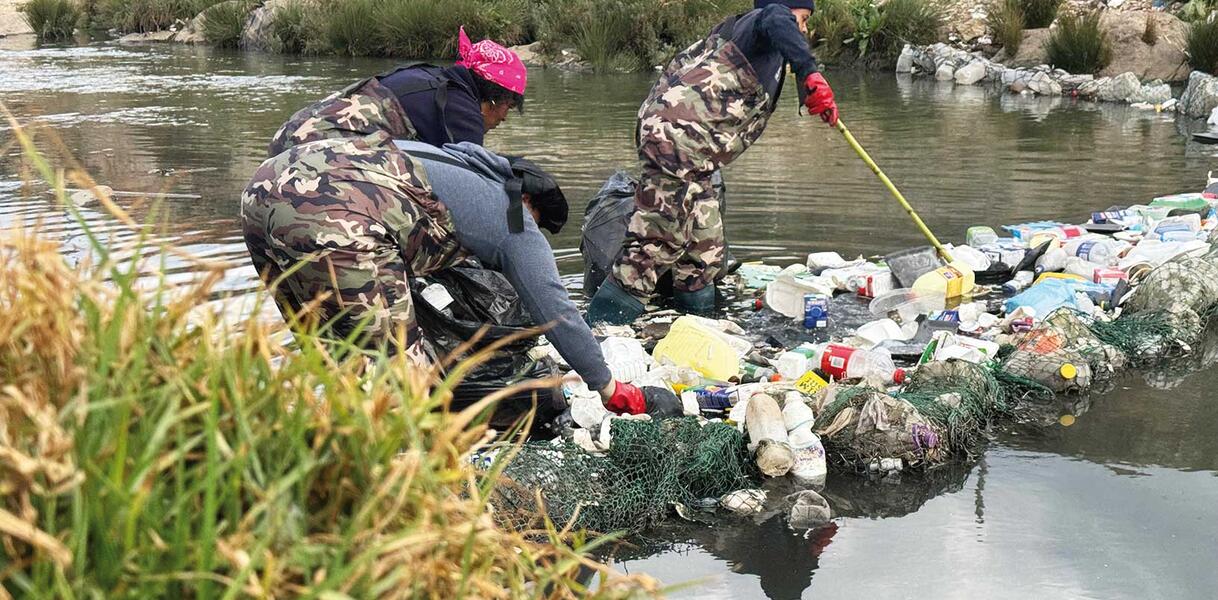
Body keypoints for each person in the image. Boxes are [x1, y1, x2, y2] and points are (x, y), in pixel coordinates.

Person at [241, 73, 648, 414]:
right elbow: (556, 308)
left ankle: (322, 451)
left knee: (328, 348)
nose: (532, 234)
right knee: (410, 386)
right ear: (528, 201)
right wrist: (607, 385)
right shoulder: (514, 216)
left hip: (264, 189)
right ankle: (403, 486)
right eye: (538, 223)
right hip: (340, 213)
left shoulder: (451, 163)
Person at [586, 0, 839, 324]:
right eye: (802, 19)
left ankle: (696, 326)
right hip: (676, 141)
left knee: (704, 248)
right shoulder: (761, 22)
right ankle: (599, 336)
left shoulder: (760, 45)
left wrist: (809, 92)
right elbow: (776, 17)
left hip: (698, 155)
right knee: (654, 242)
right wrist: (809, 69)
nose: (803, 29)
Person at [266, 27, 526, 157]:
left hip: (288, 137)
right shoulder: (464, 113)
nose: (505, 117)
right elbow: (472, 193)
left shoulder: (428, 78)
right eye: (510, 106)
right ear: (495, 97)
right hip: (313, 154)